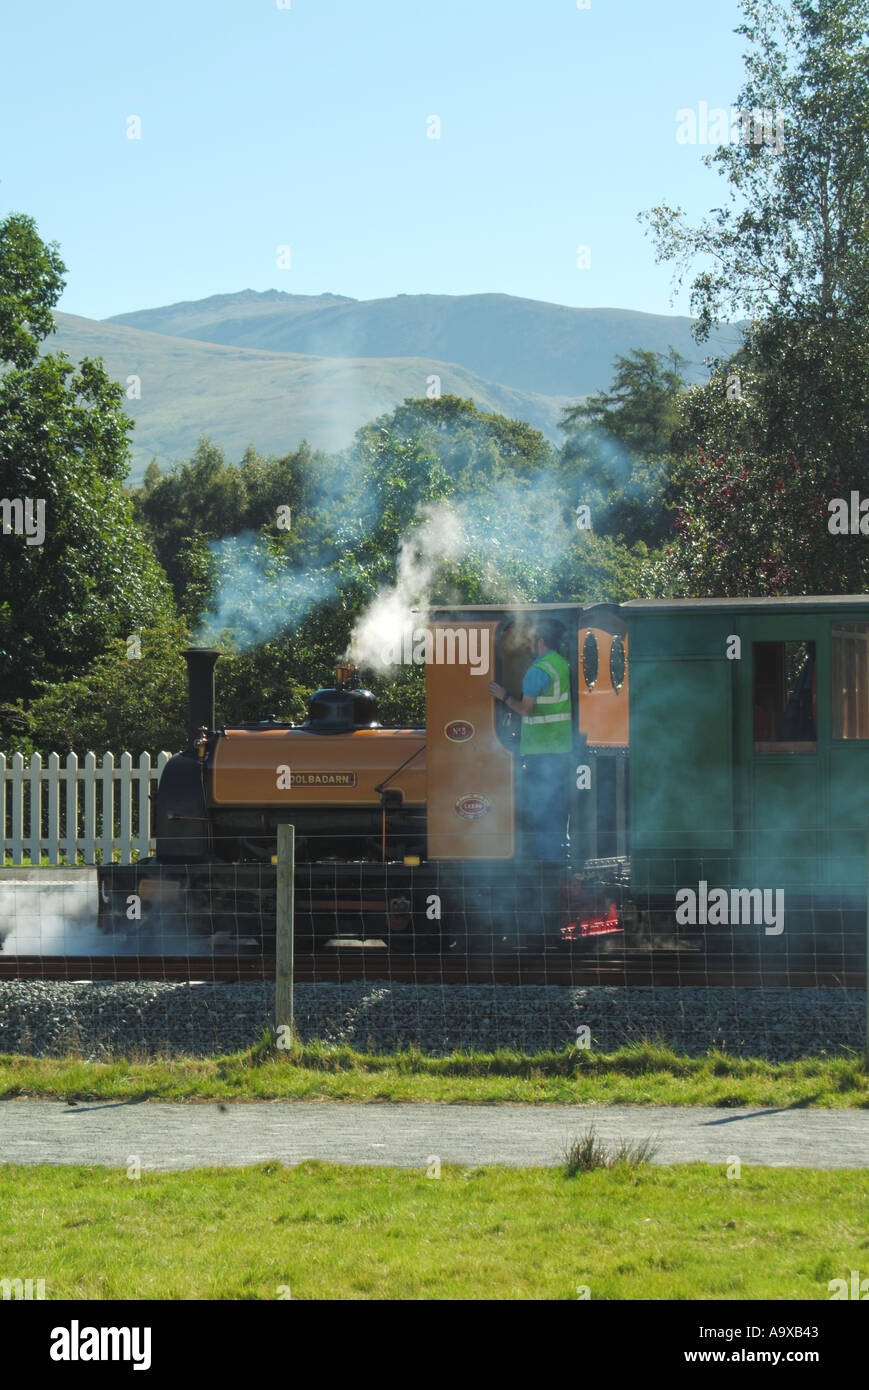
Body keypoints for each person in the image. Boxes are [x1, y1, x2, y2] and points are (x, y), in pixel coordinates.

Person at [488, 618, 572, 864]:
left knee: (542, 807)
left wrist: (504, 697)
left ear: (541, 642)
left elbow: (525, 709)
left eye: (532, 639)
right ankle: (556, 856)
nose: (529, 644)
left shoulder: (537, 671)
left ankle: (546, 861)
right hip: (560, 747)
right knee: (557, 807)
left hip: (541, 750)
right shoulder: (561, 664)